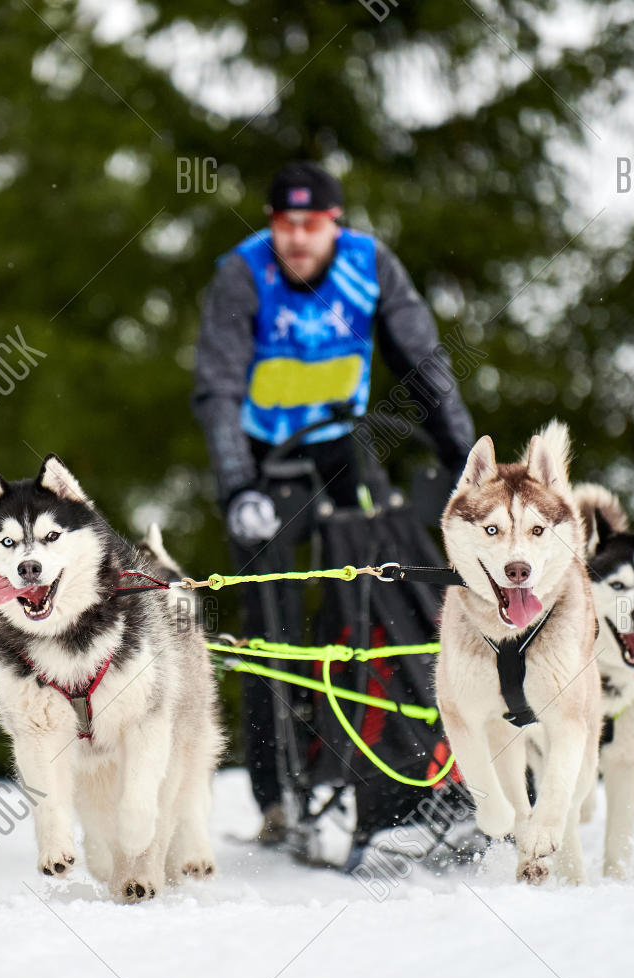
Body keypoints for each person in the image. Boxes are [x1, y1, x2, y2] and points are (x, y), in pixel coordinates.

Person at [192, 160, 476, 843]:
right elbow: (218, 389)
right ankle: (278, 799)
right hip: (262, 459)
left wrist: (469, 468)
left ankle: (404, 763)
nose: (296, 240)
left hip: (339, 449)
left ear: (334, 225)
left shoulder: (369, 264)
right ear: (270, 226)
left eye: (310, 226)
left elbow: (425, 368)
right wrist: (238, 489)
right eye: (284, 226)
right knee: (269, 627)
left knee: (387, 593)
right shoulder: (243, 272)